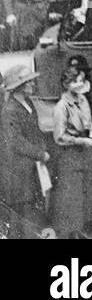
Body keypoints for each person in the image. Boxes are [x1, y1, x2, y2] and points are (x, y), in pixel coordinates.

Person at [0, 62, 50, 237]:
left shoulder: (28, 102)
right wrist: (39, 153)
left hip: (30, 167)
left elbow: (34, 132)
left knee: (32, 210)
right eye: (28, 82)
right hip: (17, 170)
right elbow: (15, 140)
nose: (32, 84)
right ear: (18, 86)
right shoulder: (9, 110)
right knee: (21, 212)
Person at [51, 64, 92, 239]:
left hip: (84, 153)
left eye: (82, 81)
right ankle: (70, 233)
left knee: (86, 192)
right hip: (69, 155)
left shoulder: (83, 100)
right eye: (76, 82)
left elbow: (87, 126)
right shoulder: (61, 107)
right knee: (72, 196)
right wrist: (81, 140)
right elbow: (59, 137)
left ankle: (79, 230)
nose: (80, 85)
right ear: (66, 84)